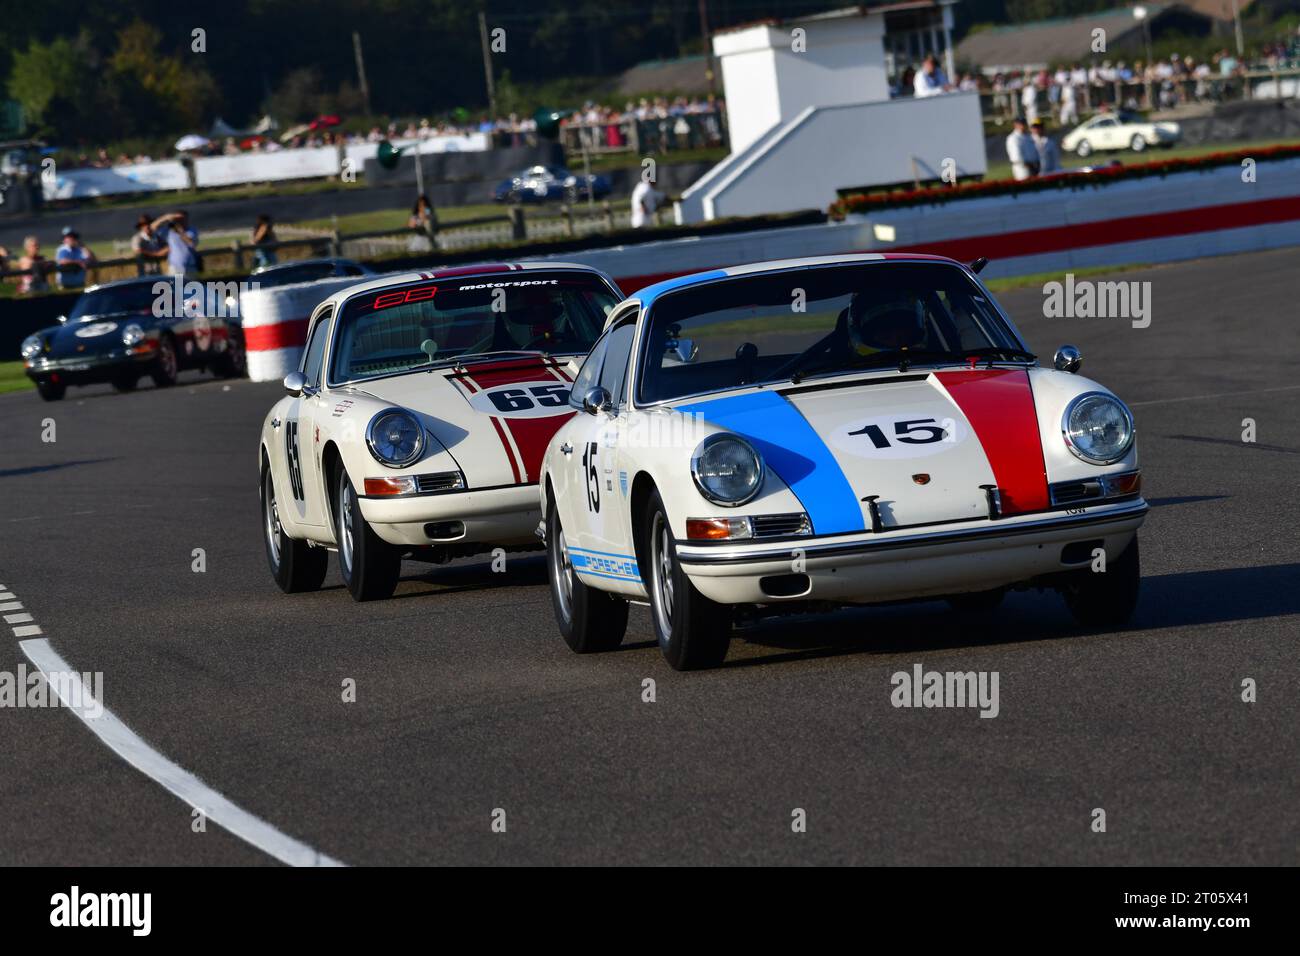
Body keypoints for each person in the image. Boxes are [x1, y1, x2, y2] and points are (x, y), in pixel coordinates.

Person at [152, 210, 200, 275]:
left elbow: (191, 243)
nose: (181, 221)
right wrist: (165, 218)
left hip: (190, 265)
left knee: (191, 285)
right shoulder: (169, 231)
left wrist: (180, 231)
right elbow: (153, 227)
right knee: (177, 285)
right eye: (178, 219)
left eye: (183, 219)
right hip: (176, 266)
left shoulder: (192, 230)